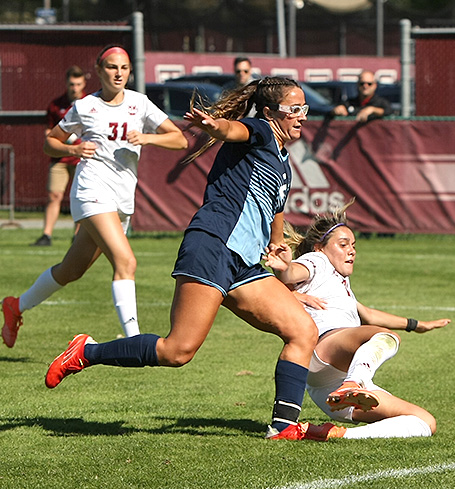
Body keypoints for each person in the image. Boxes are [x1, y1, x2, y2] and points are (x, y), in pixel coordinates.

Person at [42, 76, 322, 441]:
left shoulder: (283, 162)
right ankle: (86, 351)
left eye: (305, 109)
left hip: (245, 263)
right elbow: (233, 130)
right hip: (213, 246)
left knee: (303, 330)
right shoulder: (260, 130)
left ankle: (284, 427)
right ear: (270, 113)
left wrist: (275, 242)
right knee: (177, 351)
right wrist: (216, 127)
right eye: (294, 109)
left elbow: (277, 206)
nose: (302, 116)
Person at [2, 45, 187, 349]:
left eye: (124, 68)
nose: (118, 73)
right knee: (126, 261)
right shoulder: (85, 106)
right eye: (112, 67)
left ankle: (15, 306)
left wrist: (148, 137)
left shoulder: (140, 104)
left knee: (71, 270)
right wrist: (73, 150)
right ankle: (135, 343)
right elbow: (50, 143)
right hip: (91, 190)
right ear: (99, 71)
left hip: (122, 196)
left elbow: (179, 139)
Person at [265, 202, 450, 440]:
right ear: (320, 248)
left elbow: (369, 314)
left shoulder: (340, 284)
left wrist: (417, 325)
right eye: (343, 245)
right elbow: (293, 273)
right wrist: (285, 269)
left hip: (326, 387)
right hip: (324, 347)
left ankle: (336, 434)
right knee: (385, 337)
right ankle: (354, 383)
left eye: (353, 245)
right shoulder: (318, 261)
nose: (351, 250)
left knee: (424, 422)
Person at [32, 65, 87, 247]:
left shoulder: (90, 103)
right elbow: (49, 133)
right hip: (60, 158)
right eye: (72, 84)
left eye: (78, 84)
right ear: (66, 84)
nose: (75, 88)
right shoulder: (56, 105)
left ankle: (77, 236)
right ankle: (46, 235)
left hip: (83, 158)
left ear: (83, 84)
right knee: (54, 195)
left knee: (81, 197)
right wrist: (60, 143)